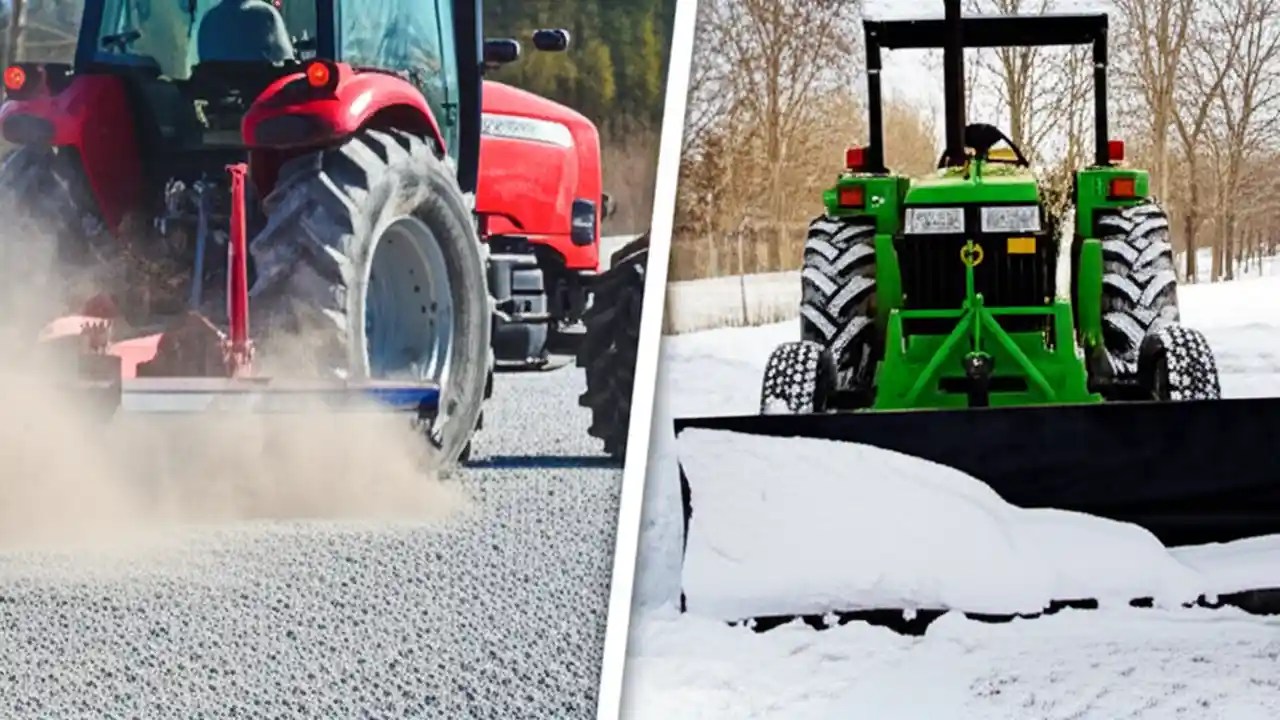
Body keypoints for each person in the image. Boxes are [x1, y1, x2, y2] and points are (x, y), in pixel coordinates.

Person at [196, 0, 295, 64]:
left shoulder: (209, 18)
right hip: (259, 92)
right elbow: (286, 60)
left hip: (216, 92)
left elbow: (204, 61)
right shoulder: (266, 13)